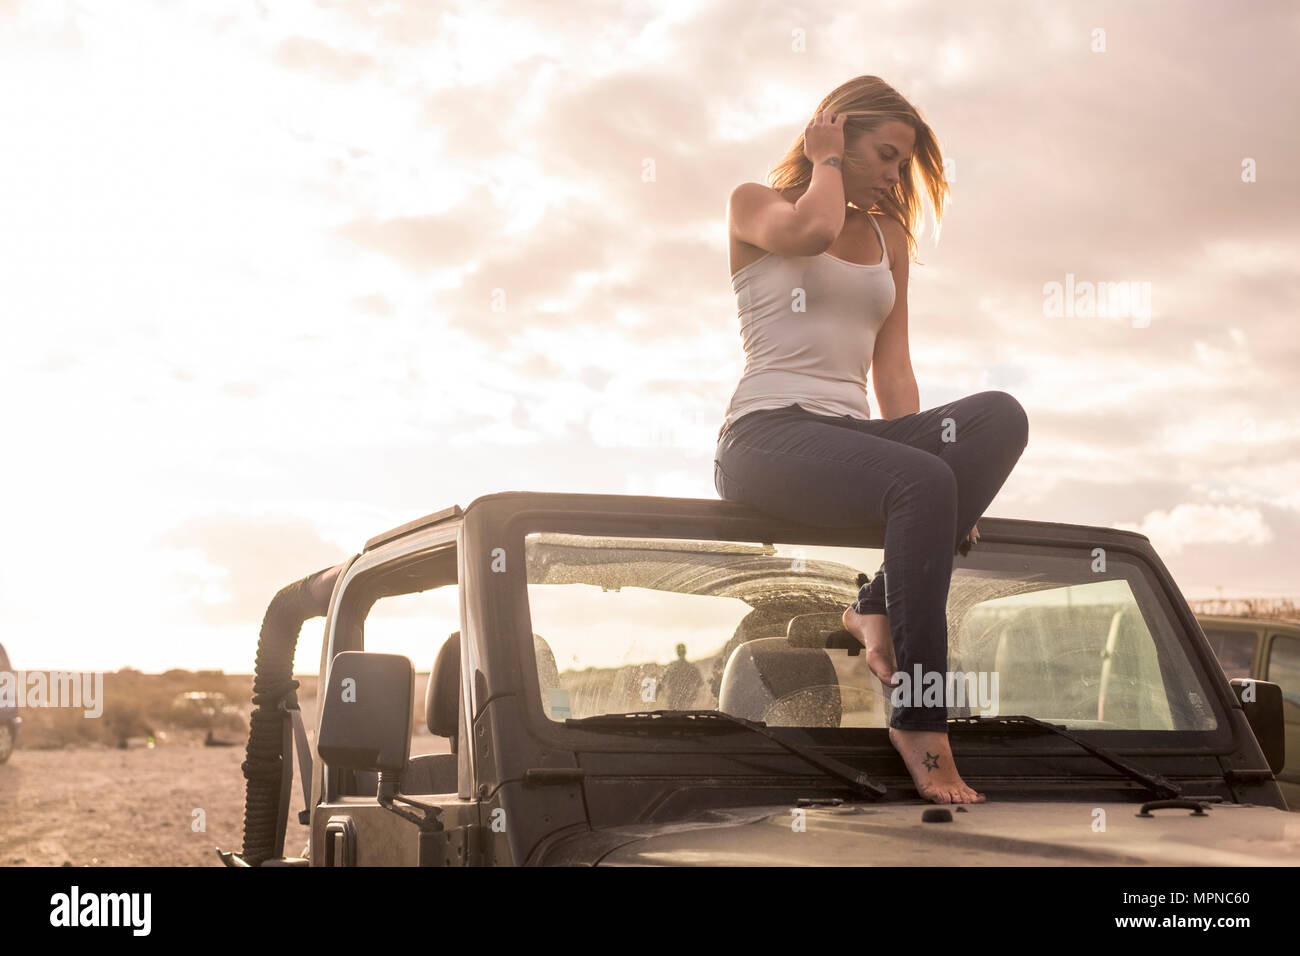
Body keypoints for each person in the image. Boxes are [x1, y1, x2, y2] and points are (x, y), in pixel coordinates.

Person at [713, 75, 1029, 804]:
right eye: (885, 155)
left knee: (998, 418)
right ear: (835, 134)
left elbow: (894, 366)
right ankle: (921, 721)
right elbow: (811, 232)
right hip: (766, 437)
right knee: (923, 482)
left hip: (860, 443)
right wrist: (822, 165)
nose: (894, 176)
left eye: (903, 165)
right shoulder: (754, 205)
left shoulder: (891, 238)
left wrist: (951, 478)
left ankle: (873, 605)